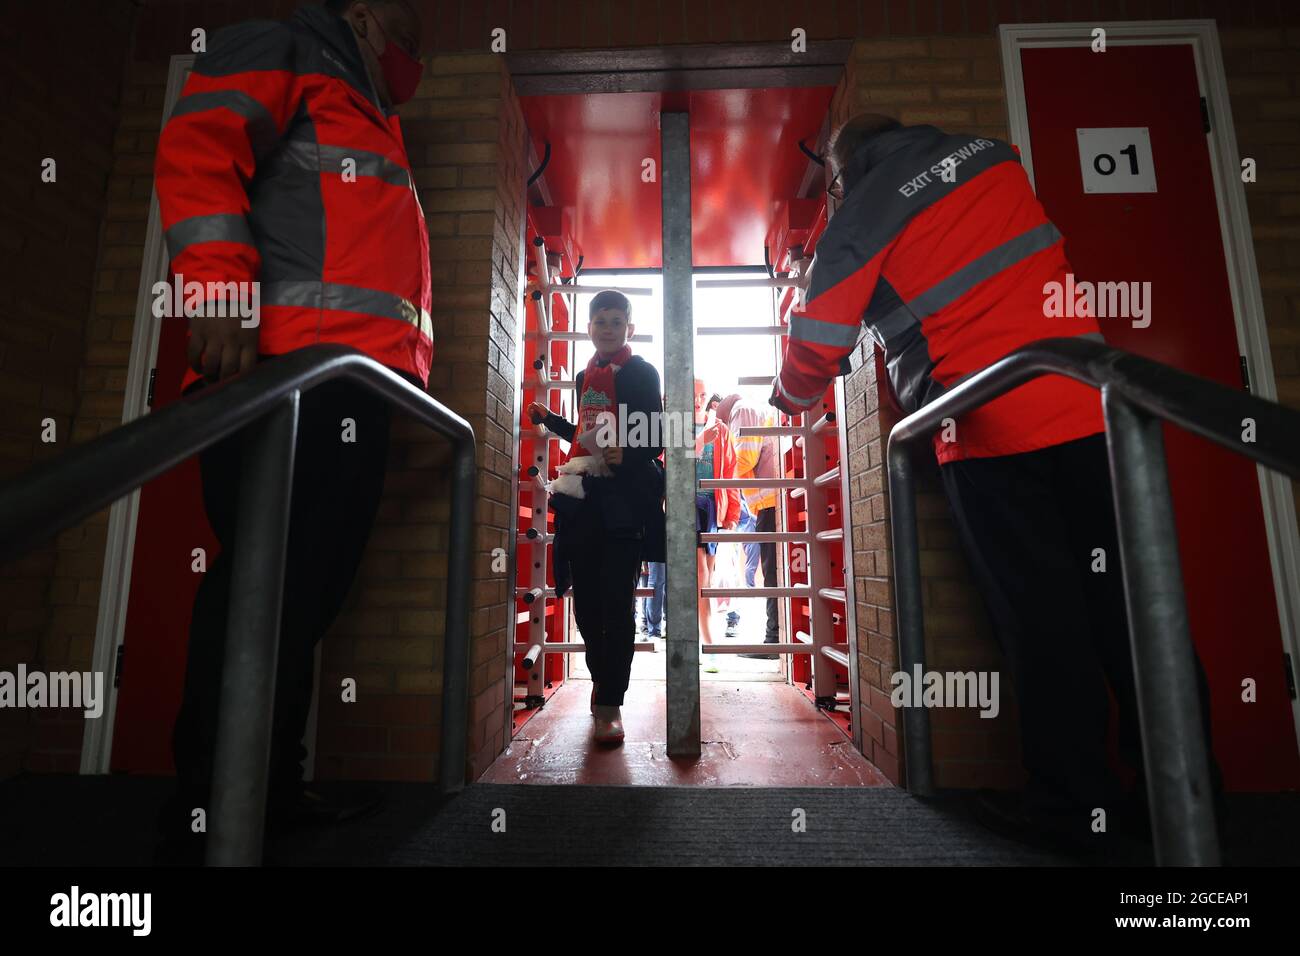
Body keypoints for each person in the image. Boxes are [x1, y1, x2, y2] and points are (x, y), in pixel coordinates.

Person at [770, 113, 1224, 853]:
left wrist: (787, 399)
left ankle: (1075, 810)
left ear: (843, 170)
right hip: (1096, 409)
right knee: (1138, 612)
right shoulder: (990, 158)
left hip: (993, 428)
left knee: (1044, 624)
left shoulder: (864, 204)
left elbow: (821, 341)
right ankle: (1188, 800)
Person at [152, 0, 430, 863]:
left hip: (352, 383)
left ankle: (268, 789)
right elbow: (198, 148)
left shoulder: (368, 101)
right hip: (287, 378)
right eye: (404, 19)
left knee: (301, 596)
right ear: (360, 11)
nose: (415, 34)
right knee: (262, 594)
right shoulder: (286, 46)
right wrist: (220, 295)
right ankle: (208, 805)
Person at [528, 291, 665, 745]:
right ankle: (602, 681)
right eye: (600, 321)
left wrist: (629, 452)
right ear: (589, 328)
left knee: (615, 605)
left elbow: (659, 434)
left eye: (616, 320)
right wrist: (555, 423)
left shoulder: (643, 372)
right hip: (584, 497)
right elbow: (586, 438)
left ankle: (610, 703)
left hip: (624, 502)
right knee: (585, 606)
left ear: (629, 326)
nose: (608, 328)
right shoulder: (585, 376)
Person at [715, 393, 782, 657]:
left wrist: (713, 472)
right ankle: (775, 635)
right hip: (769, 501)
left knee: (772, 570)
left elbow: (743, 458)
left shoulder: (741, 410)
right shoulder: (747, 409)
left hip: (771, 501)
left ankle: (774, 639)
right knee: (771, 569)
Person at [694, 379, 742, 672]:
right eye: (692, 395)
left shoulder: (723, 431)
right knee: (701, 576)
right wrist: (699, 442)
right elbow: (666, 463)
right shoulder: (675, 428)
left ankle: (703, 643)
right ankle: (709, 645)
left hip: (712, 507)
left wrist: (733, 515)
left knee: (707, 578)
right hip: (685, 505)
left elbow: (730, 473)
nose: (698, 401)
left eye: (701, 395)